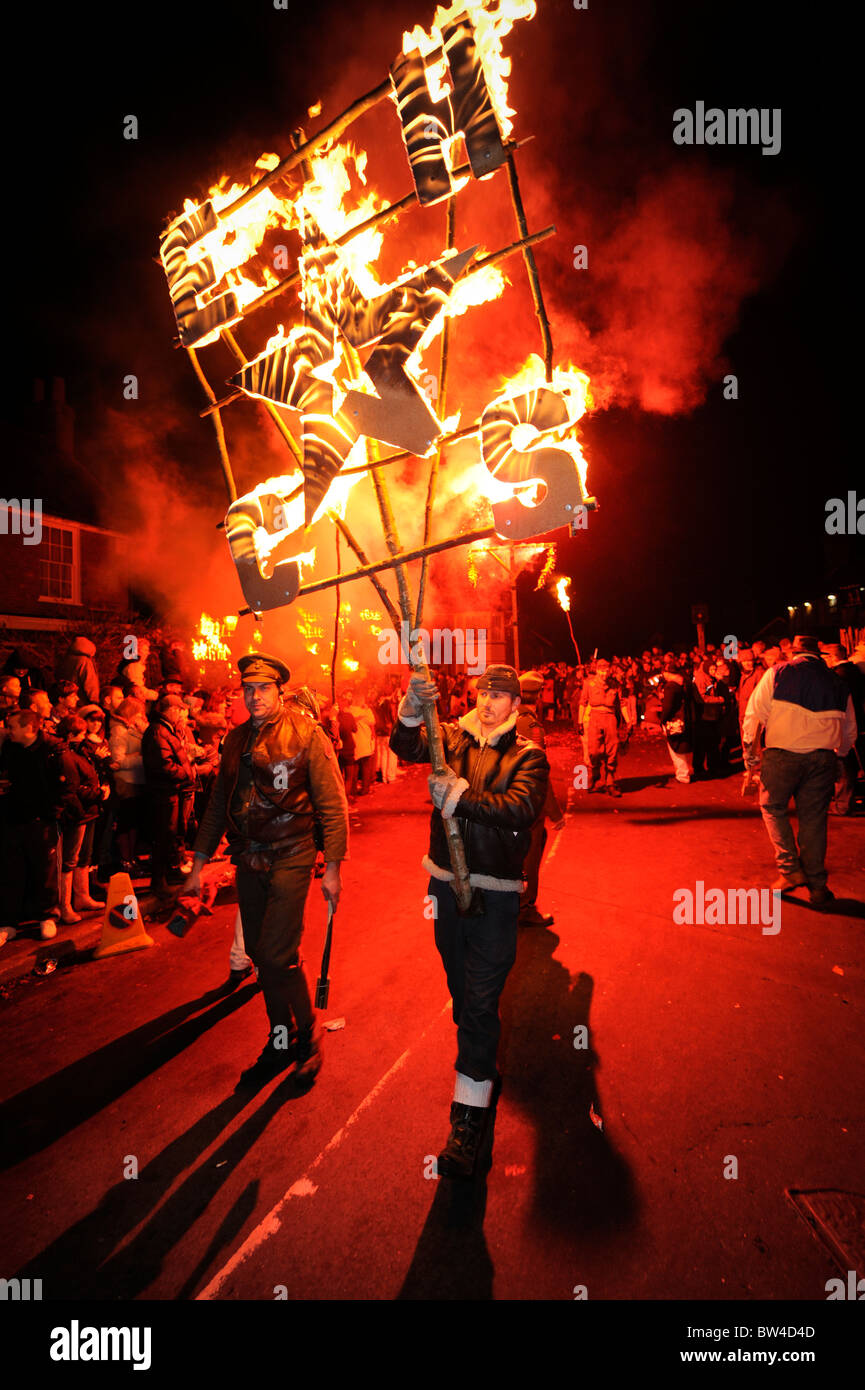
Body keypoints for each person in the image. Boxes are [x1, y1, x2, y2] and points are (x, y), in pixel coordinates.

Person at [390, 663, 549, 1179]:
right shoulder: (453, 738)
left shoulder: (528, 755)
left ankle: (467, 1120)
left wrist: (460, 798)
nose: (488, 702)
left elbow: (521, 808)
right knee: (464, 997)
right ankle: (479, 1065)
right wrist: (413, 709)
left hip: (496, 895)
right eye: (483, 693)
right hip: (444, 886)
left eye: (499, 696)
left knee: (480, 1002)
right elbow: (406, 747)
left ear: (515, 706)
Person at [186, 654, 348, 1089]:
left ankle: (308, 1034)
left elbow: (333, 806)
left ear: (279, 692)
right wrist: (199, 863)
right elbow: (219, 805)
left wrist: (332, 868)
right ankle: (281, 1039)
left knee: (276, 955)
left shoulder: (307, 734)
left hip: (292, 853)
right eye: (248, 689)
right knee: (261, 956)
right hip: (248, 856)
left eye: (263, 689)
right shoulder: (235, 740)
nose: (254, 696)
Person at [742, 635, 857, 907]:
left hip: (782, 755)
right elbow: (849, 730)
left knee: (773, 808)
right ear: (818, 655)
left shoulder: (778, 674)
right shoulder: (838, 683)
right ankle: (818, 886)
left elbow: (754, 716)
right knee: (814, 821)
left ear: (795, 653)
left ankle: (790, 869)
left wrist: (750, 755)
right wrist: (838, 755)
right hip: (822, 759)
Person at [0, 709, 60, 945]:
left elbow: (62, 785)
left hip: (40, 820)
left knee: (44, 870)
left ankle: (47, 916)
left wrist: (52, 814)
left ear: (29, 727)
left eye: (12, 726)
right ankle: (8, 922)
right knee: (10, 872)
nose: (8, 730)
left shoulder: (52, 750)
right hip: (12, 818)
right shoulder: (10, 749)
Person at [515, 670, 564, 927]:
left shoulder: (507, 719)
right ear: (538, 695)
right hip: (527, 805)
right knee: (530, 857)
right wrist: (554, 812)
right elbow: (538, 773)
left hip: (506, 800)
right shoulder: (531, 726)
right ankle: (524, 907)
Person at [141, 694, 195, 898]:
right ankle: (158, 881)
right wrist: (185, 773)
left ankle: (171, 873)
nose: (181, 713)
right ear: (169, 710)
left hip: (172, 791)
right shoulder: (157, 732)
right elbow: (164, 765)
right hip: (164, 793)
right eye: (179, 709)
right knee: (163, 836)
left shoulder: (165, 730)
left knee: (172, 834)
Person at [579, 658, 626, 795]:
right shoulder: (589, 684)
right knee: (593, 750)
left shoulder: (614, 684)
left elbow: (621, 704)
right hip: (594, 718)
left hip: (610, 718)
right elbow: (583, 703)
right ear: (597, 670)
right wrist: (580, 722)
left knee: (612, 748)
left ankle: (610, 781)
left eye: (606, 671)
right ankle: (595, 774)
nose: (604, 674)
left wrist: (630, 722)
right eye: (601, 671)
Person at [659, 660, 695, 783]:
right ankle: (684, 772)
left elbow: (668, 707)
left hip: (674, 720)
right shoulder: (686, 683)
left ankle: (682, 774)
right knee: (681, 745)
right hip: (686, 718)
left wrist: (663, 720)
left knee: (675, 747)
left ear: (668, 672)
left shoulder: (671, 687)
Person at [55, 635, 100, 706]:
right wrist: (95, 701)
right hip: (81, 702)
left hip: (65, 700)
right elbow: (90, 684)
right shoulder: (85, 661)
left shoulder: (64, 659)